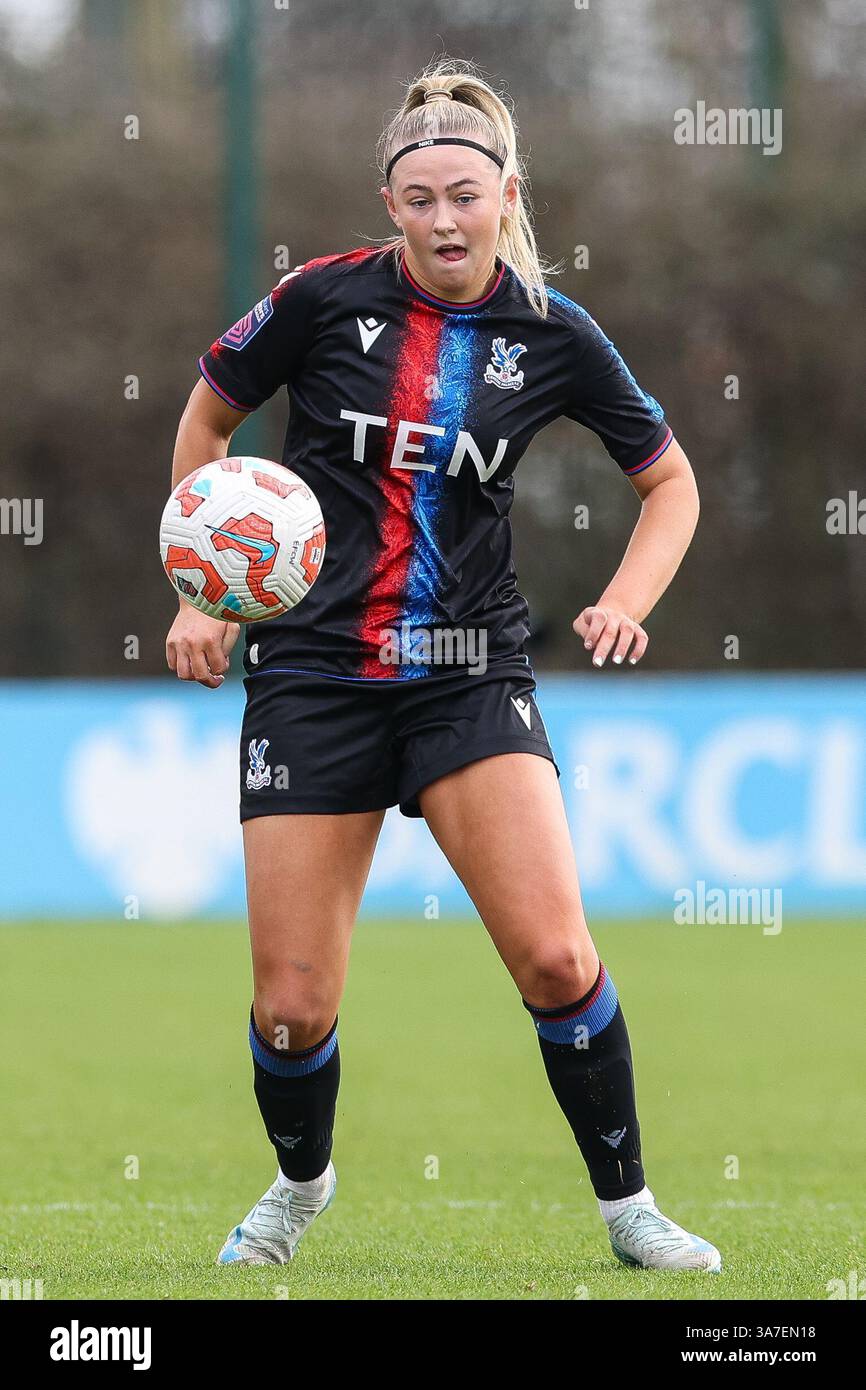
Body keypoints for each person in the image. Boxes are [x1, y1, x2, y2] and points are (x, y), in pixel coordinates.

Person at [166, 58, 719, 1274]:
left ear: (507, 192)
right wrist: (201, 588)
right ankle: (300, 1183)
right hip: (312, 675)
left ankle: (629, 1210)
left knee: (558, 959)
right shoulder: (319, 301)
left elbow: (667, 482)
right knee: (291, 1005)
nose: (442, 219)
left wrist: (626, 598)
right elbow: (208, 415)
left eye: (464, 194)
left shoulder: (552, 330)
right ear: (390, 205)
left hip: (470, 672)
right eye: (416, 198)